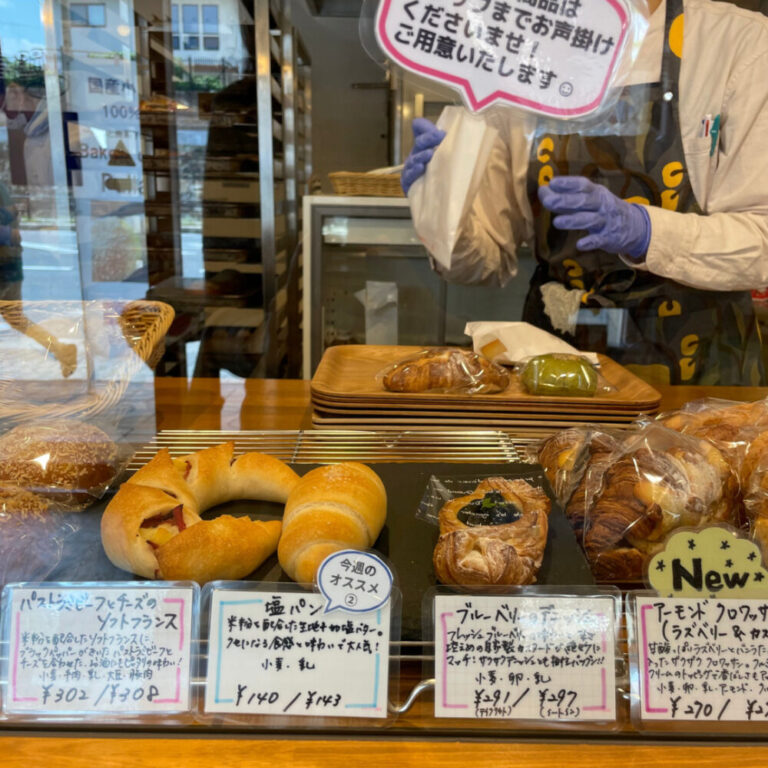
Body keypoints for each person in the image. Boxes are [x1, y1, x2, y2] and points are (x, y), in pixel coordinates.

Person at [402, 0, 768, 386]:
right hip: (553, 361)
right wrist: (440, 203)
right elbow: (483, 263)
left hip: (700, 367)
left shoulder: (738, 43)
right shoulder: (518, 52)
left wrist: (646, 232)